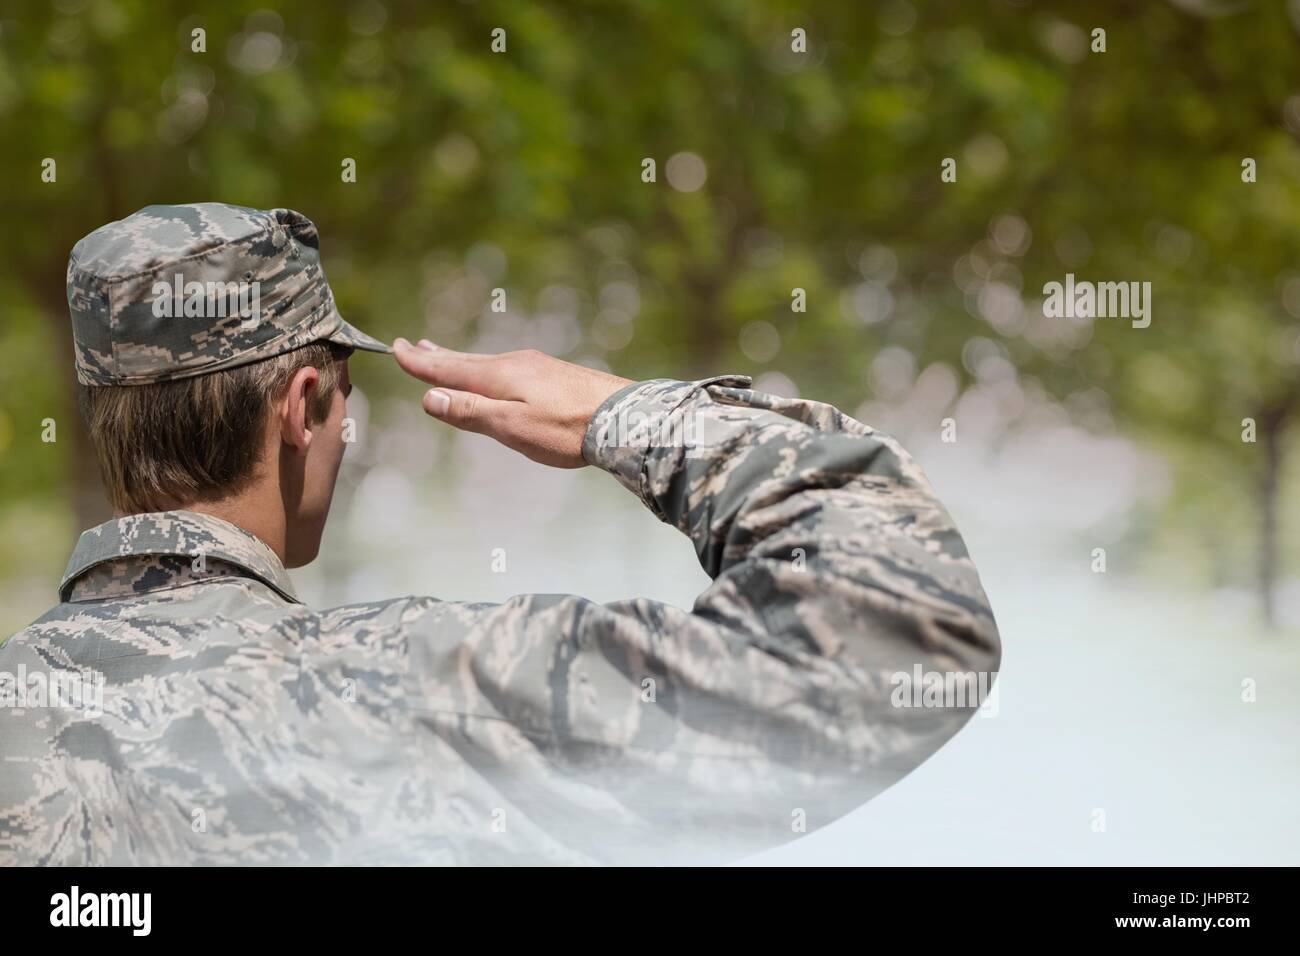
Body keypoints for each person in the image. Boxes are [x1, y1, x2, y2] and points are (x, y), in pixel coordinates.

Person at [0, 202, 1000, 865]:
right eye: (346, 395)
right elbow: (907, 632)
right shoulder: (411, 687)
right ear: (302, 405)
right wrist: (627, 415)